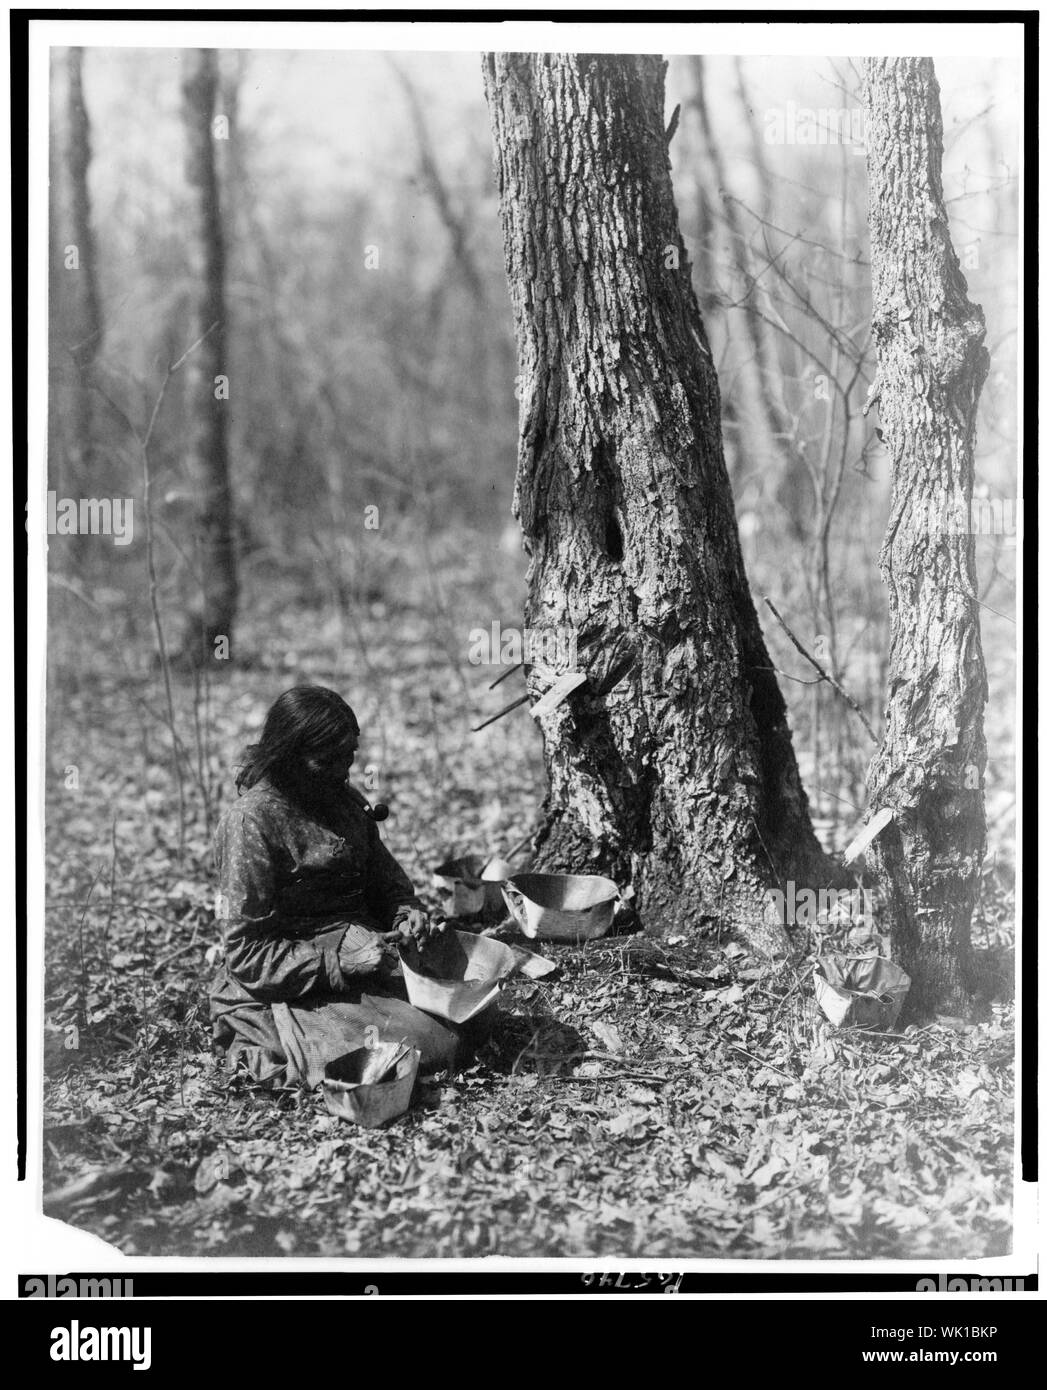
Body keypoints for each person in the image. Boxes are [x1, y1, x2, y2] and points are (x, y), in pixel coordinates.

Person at [209, 685, 461, 1089]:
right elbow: (245, 953)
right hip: (292, 985)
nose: (344, 771)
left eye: (350, 757)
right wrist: (338, 963)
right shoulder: (250, 823)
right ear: (288, 757)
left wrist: (405, 914)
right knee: (427, 1047)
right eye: (327, 760)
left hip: (367, 957)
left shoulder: (342, 799)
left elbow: (388, 886)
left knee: (467, 1013)